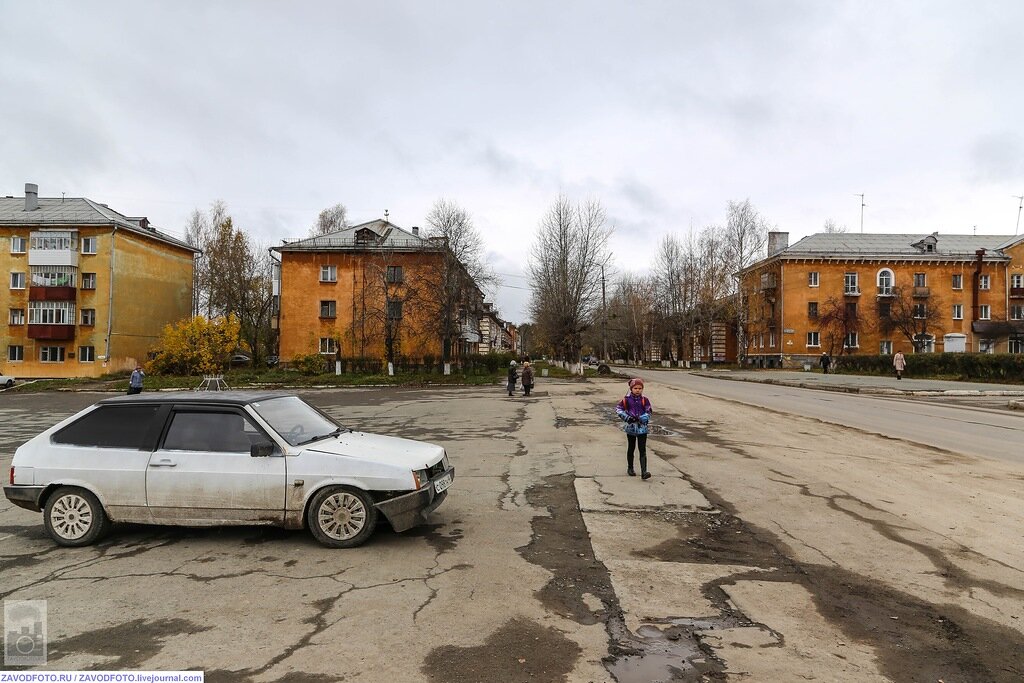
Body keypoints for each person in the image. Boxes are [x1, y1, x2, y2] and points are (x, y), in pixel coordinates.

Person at [615, 378, 653, 480]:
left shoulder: (645, 400)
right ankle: (630, 468)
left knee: (642, 449)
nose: (638, 390)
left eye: (640, 388)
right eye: (635, 388)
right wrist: (627, 417)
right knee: (631, 448)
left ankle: (644, 471)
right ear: (631, 388)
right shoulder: (626, 400)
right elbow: (618, 409)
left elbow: (649, 411)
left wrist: (642, 417)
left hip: (642, 428)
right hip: (631, 428)